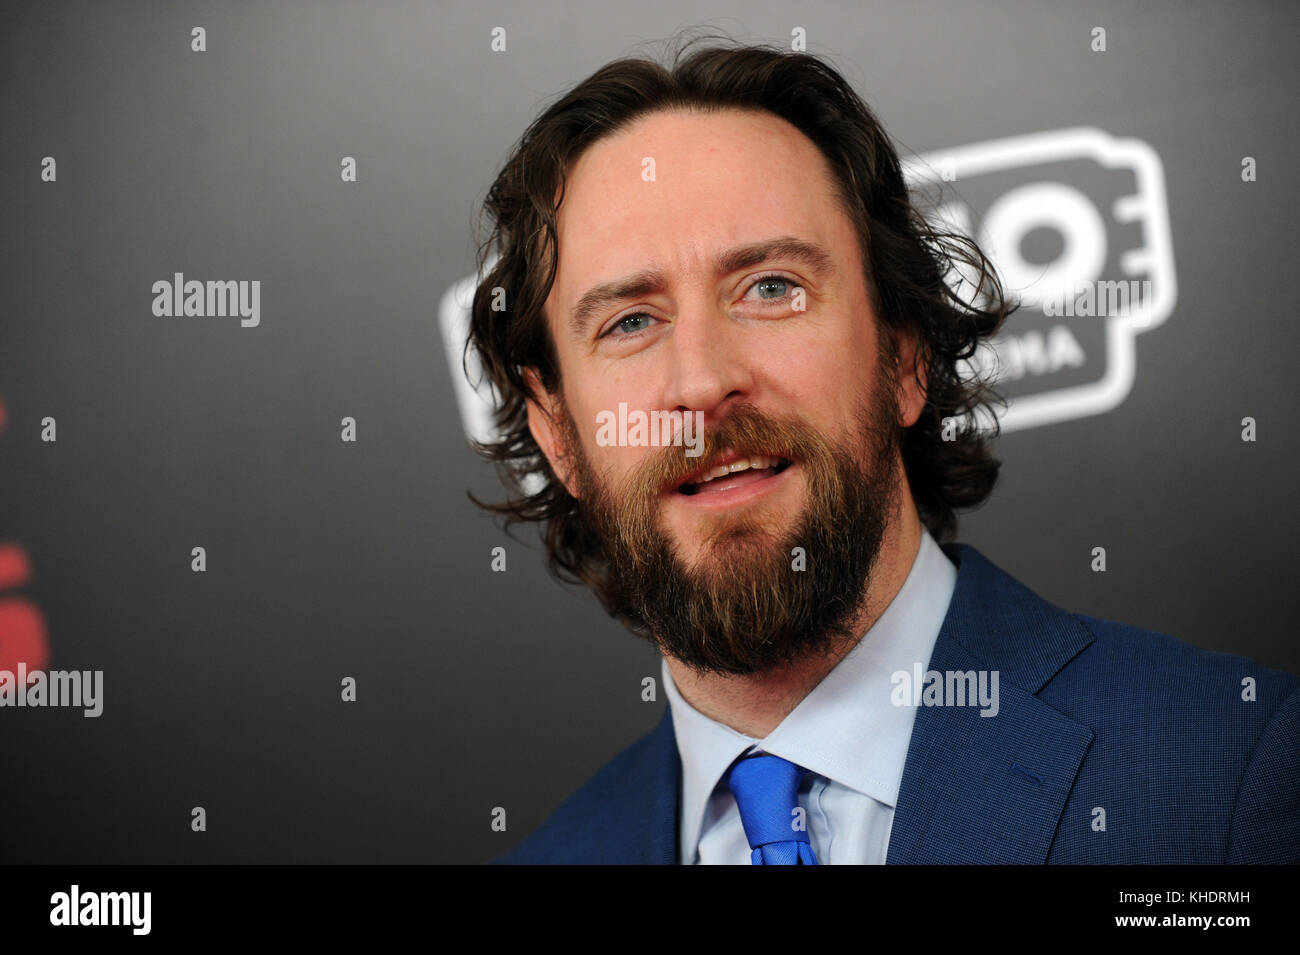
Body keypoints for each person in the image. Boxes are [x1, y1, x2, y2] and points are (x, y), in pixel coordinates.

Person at [464, 38, 1300, 864]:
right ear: (558, 435)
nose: (704, 382)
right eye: (631, 321)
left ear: (904, 356)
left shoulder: (1235, 770)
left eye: (771, 288)